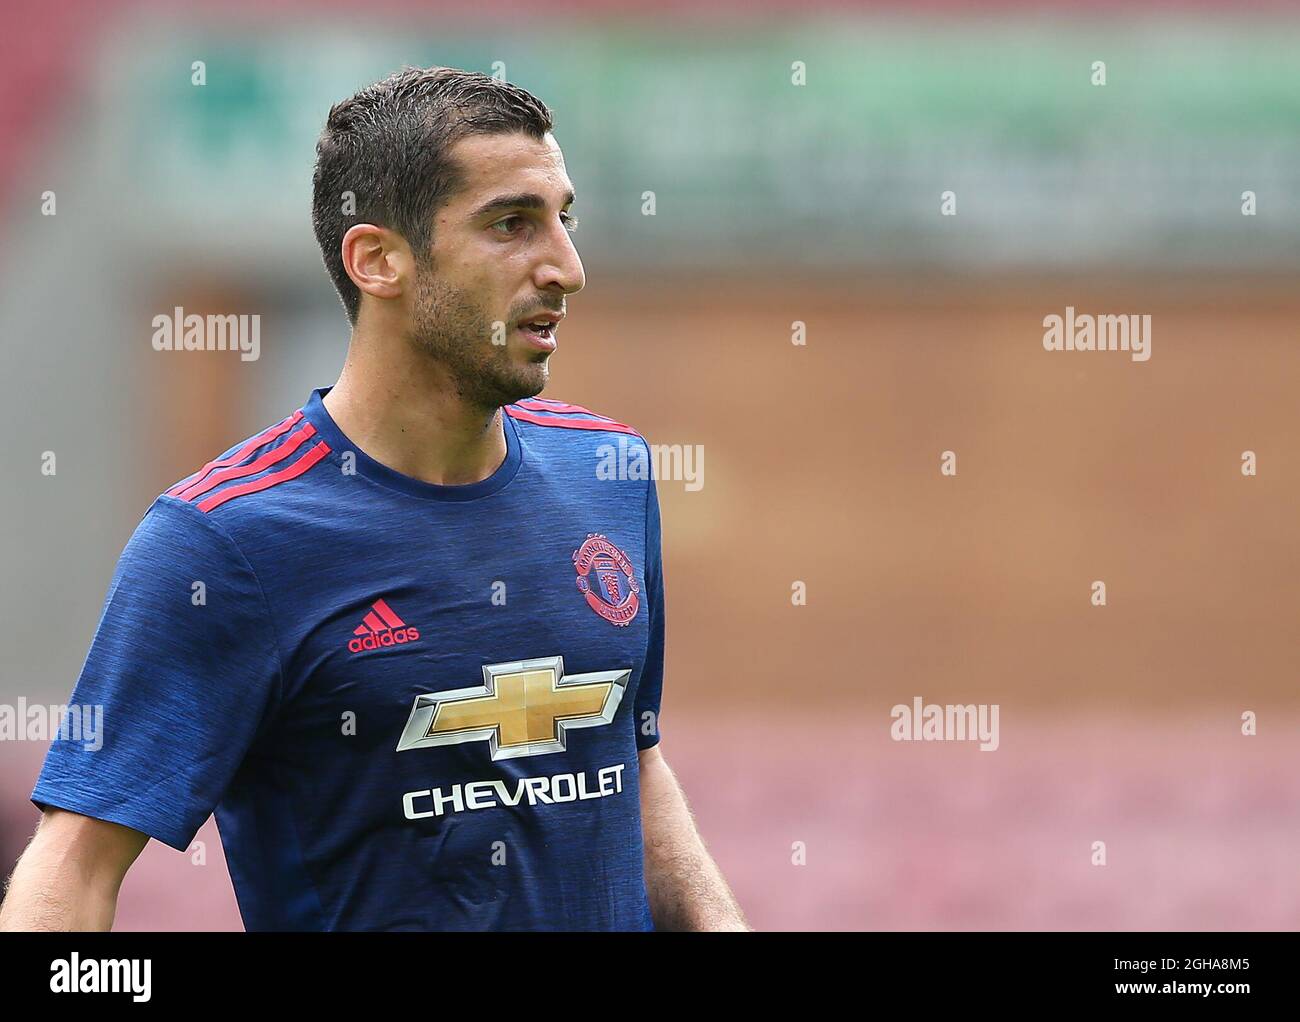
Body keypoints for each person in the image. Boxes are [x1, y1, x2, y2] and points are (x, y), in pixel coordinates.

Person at [0, 66, 747, 932]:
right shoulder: (223, 544)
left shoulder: (608, 471)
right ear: (378, 260)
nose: (567, 268)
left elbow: (631, 764)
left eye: (563, 220)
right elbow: (75, 868)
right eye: (512, 224)